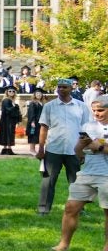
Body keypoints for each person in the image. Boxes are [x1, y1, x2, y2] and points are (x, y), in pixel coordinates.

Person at [52, 98, 108, 251]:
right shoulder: (88, 126)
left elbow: (99, 147)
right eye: (94, 110)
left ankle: (107, 249)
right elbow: (78, 153)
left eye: (101, 110)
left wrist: (100, 147)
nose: (97, 113)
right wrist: (82, 145)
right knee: (70, 207)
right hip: (88, 172)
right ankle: (63, 244)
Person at [38, 79, 91, 214]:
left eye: (64, 87)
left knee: (76, 182)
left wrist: (83, 150)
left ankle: (79, 209)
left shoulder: (81, 106)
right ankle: (43, 208)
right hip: (53, 149)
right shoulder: (49, 106)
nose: (61, 89)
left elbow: (86, 129)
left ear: (71, 89)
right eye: (59, 87)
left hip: (74, 150)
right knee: (48, 181)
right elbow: (44, 127)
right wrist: (40, 148)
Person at [0, 88, 22, 155]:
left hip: (10, 120)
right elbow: (7, 110)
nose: (11, 92)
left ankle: (5, 149)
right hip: (7, 121)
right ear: (7, 92)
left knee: (8, 134)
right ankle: (8, 149)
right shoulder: (6, 100)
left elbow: (17, 112)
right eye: (10, 91)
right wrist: (15, 106)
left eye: (13, 91)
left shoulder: (12, 101)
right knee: (8, 134)